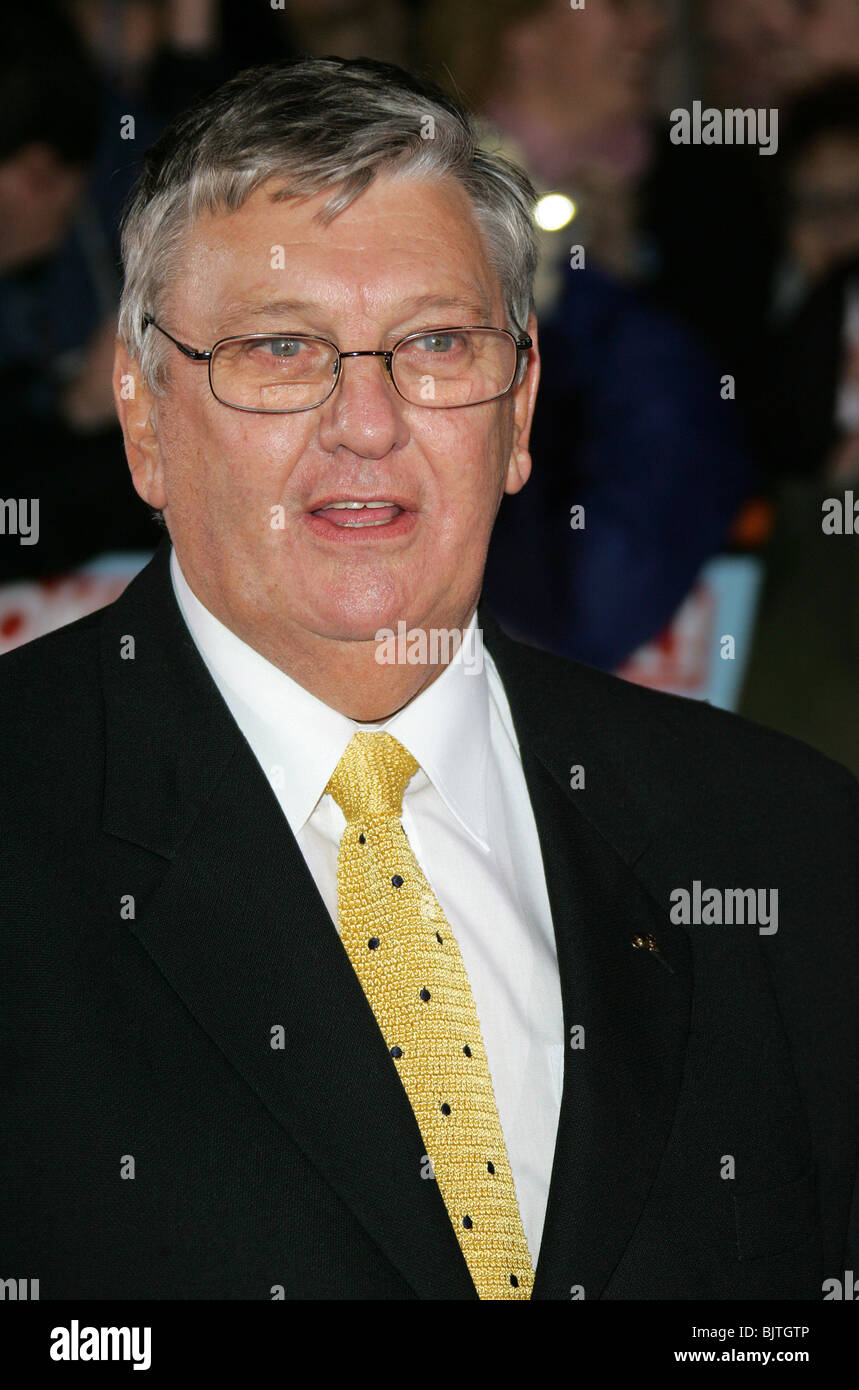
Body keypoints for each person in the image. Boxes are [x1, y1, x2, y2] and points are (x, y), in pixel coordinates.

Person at [1, 57, 856, 1301]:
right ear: (143, 417)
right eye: (282, 348)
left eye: (435, 344)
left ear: (516, 417)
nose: (366, 419)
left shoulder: (787, 842)